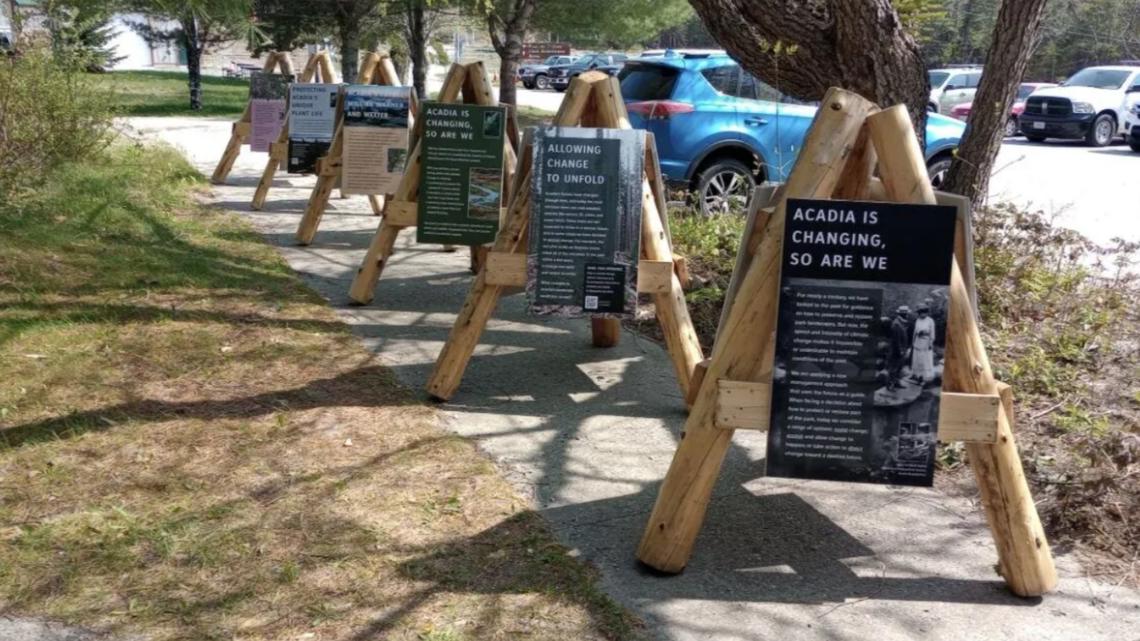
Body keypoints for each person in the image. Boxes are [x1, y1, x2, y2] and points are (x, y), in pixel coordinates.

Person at [911, 304, 936, 382]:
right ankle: (915, 374)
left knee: (924, 359)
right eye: (920, 313)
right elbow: (915, 331)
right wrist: (913, 341)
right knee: (916, 358)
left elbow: (932, 333)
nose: (921, 314)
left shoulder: (930, 321)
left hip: (926, 342)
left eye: (923, 312)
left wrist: (931, 342)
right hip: (918, 342)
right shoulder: (918, 320)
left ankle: (922, 376)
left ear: (926, 312)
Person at [887, 306, 910, 390]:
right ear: (903, 314)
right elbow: (896, 340)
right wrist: (900, 351)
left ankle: (896, 382)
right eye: (907, 314)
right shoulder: (896, 324)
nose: (908, 315)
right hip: (896, 351)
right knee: (893, 368)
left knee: (899, 367)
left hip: (901, 350)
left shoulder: (902, 322)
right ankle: (890, 385)